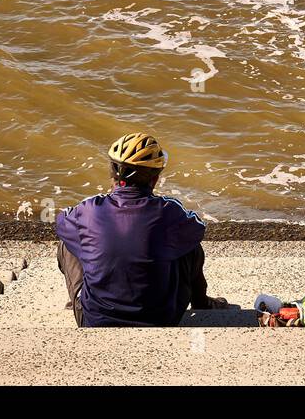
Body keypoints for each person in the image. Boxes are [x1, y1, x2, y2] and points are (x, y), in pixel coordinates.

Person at [55, 131, 229, 327]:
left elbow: (61, 221)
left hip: (94, 320)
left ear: (112, 173)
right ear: (154, 179)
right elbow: (197, 228)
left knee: (68, 242)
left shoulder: (88, 210)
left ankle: (79, 300)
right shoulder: (169, 211)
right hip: (163, 318)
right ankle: (201, 302)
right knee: (190, 246)